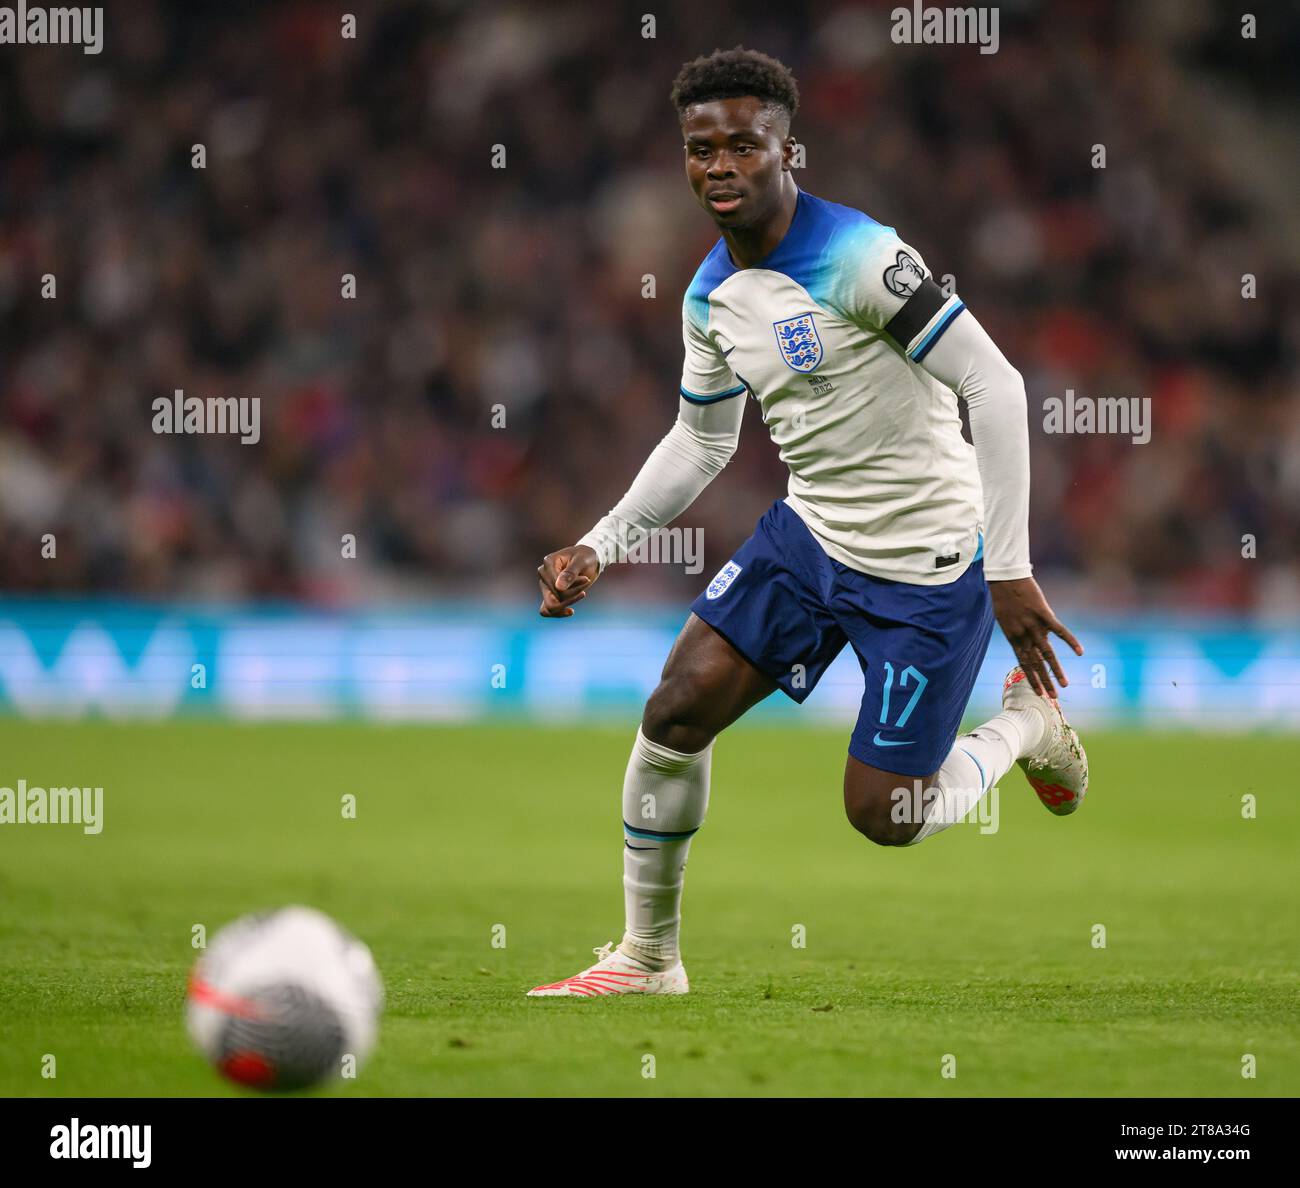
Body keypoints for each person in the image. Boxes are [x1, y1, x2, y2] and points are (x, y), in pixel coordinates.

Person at [528, 47, 1087, 998]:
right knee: (675, 711)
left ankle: (1028, 728)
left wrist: (1009, 568)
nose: (720, 166)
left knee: (885, 813)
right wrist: (600, 542)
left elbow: (995, 383)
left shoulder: (864, 257)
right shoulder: (709, 297)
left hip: (927, 562)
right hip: (810, 540)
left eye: (745, 145)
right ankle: (648, 959)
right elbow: (701, 444)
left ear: (793, 152)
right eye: (701, 149)